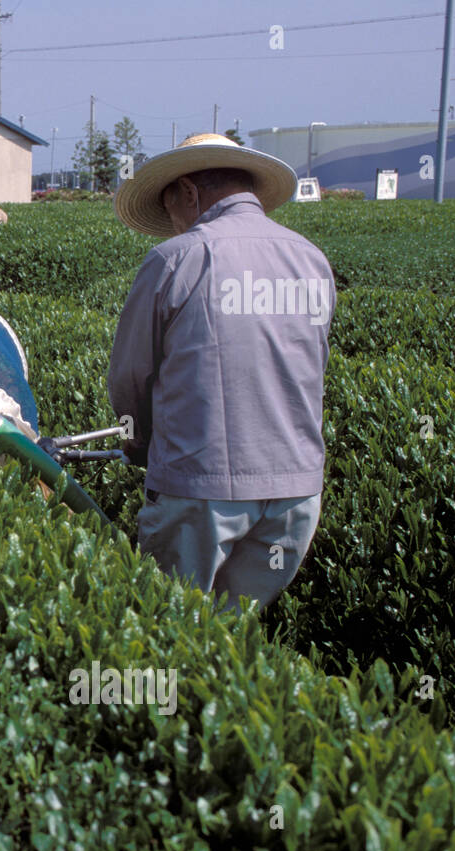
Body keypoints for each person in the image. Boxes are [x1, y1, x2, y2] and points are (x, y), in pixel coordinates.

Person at [109, 133, 334, 613]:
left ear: (188, 192)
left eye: (171, 210)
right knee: (232, 638)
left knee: (171, 631)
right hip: (296, 496)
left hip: (201, 490)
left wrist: (141, 448)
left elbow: (132, 379)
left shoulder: (177, 258)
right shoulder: (311, 259)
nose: (173, 225)